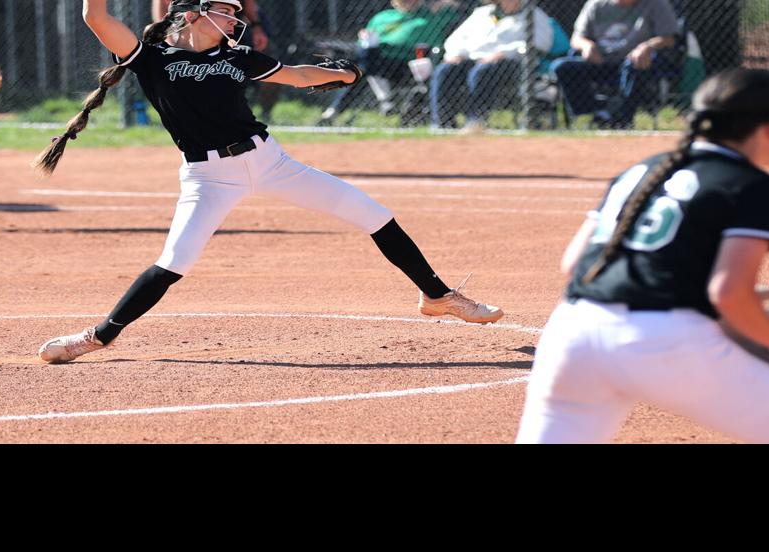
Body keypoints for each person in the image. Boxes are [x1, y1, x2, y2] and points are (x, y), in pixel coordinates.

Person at [32, 0, 504, 365]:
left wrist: (343, 74)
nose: (234, 18)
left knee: (374, 215)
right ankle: (99, 336)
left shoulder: (238, 56)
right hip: (208, 176)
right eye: (226, 10)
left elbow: (296, 75)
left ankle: (437, 296)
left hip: (270, 161)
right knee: (173, 263)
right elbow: (94, 14)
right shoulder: (149, 58)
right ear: (194, 12)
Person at [515, 68, 769, 444]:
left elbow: (574, 264)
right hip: (665, 341)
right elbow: (729, 292)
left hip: (570, 334)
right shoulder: (753, 185)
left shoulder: (641, 171)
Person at [317, 0, 465, 125]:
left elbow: (459, 7)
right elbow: (365, 43)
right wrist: (365, 37)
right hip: (380, 61)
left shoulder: (432, 15)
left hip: (411, 63)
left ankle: (379, 102)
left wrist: (444, 2)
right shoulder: (383, 17)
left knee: (360, 68)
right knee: (362, 60)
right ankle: (380, 102)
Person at [551, 0, 679, 129]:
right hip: (599, 62)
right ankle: (594, 111)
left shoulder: (656, 4)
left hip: (635, 62)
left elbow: (670, 38)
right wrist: (587, 46)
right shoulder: (596, 4)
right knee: (562, 66)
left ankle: (620, 118)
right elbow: (577, 38)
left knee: (634, 65)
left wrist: (647, 46)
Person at [429, 0, 554, 131]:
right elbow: (456, 38)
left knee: (481, 72)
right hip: (473, 59)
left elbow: (542, 43)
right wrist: (456, 53)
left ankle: (475, 122)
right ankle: (443, 123)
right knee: (444, 70)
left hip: (509, 63)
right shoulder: (482, 13)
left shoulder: (534, 15)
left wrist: (504, 53)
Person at [152, 0, 280, 120]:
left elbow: (247, 2)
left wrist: (257, 27)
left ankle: (266, 112)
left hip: (233, 23)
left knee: (265, 57)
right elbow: (162, 3)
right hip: (198, 24)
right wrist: (168, 33)